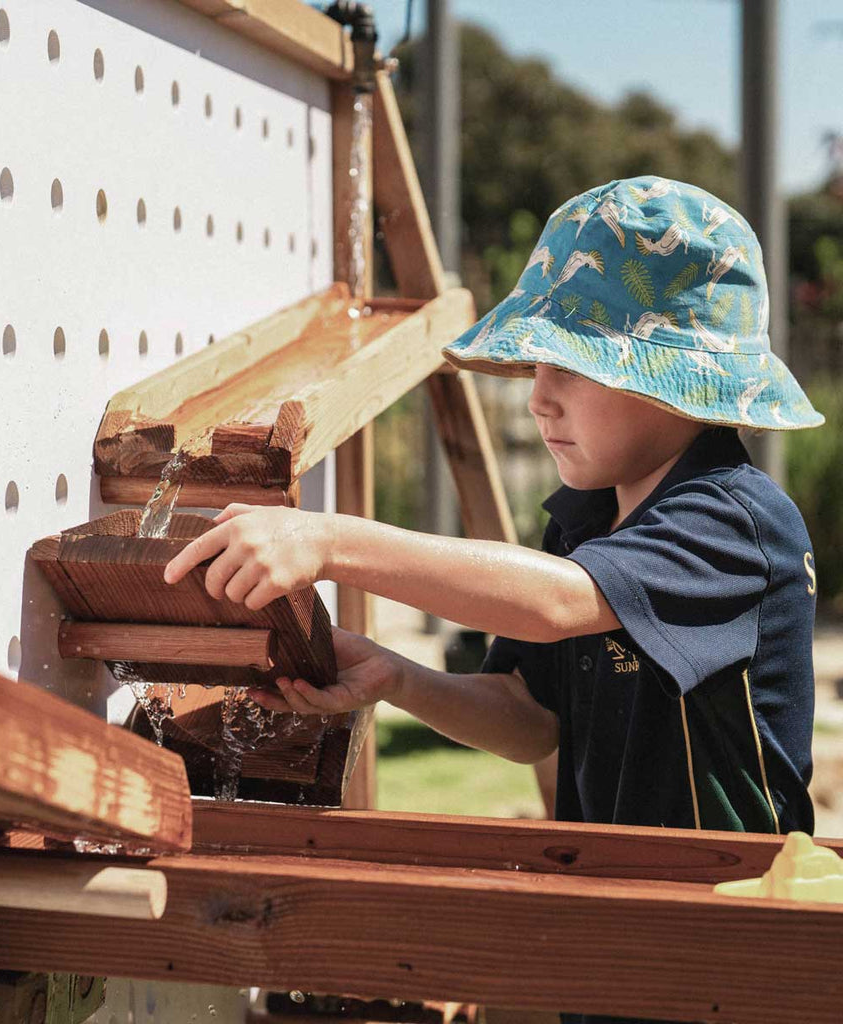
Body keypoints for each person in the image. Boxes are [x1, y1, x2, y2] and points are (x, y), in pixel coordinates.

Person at [162, 176, 823, 1021]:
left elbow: (558, 605)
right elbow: (530, 718)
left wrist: (330, 543)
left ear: (675, 379)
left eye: (572, 364)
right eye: (536, 363)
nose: (538, 396)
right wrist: (397, 677)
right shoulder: (587, 522)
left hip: (735, 953)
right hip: (620, 941)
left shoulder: (734, 519)